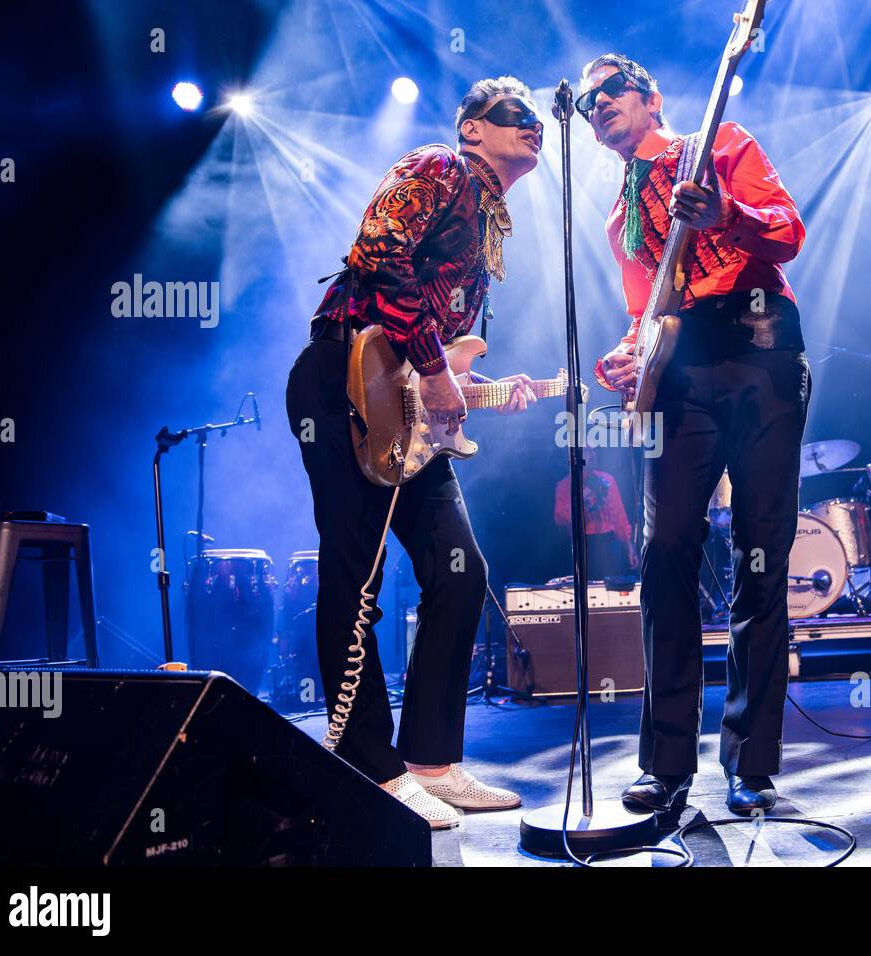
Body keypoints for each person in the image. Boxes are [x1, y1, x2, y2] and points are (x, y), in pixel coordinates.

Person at [285, 76, 545, 829]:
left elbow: (434, 347)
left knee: (461, 574)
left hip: (403, 410)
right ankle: (370, 766)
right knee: (356, 573)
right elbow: (378, 256)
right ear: (472, 127)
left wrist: (471, 383)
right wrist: (435, 372)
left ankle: (431, 760)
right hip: (344, 382)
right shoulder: (439, 168)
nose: (533, 127)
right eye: (515, 117)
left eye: (536, 121)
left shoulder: (490, 224)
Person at [582, 54, 809, 816]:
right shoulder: (621, 220)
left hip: (760, 347)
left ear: (651, 97)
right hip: (683, 373)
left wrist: (726, 217)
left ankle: (751, 761)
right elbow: (650, 314)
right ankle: (666, 762)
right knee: (665, 548)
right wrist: (629, 351)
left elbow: (788, 235)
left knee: (761, 549)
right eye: (586, 100)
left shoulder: (721, 147)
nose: (596, 103)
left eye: (611, 88)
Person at [553, 448, 638, 578]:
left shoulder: (606, 480)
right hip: (583, 543)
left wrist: (628, 545)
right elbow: (559, 518)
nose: (593, 454)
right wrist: (581, 499)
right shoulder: (565, 485)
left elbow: (618, 513)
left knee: (613, 586)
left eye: (593, 451)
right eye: (587, 451)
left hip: (609, 542)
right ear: (574, 457)